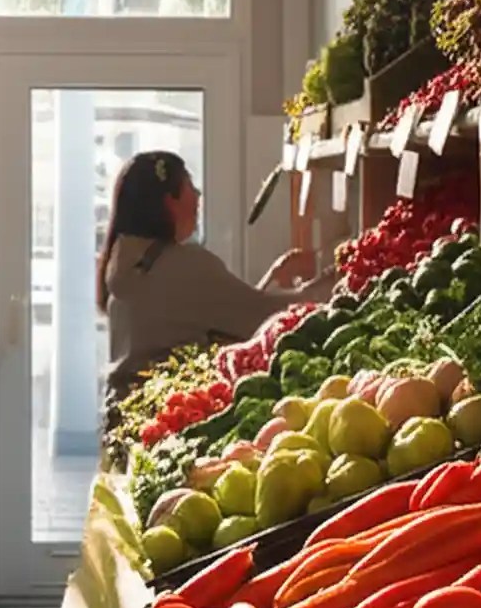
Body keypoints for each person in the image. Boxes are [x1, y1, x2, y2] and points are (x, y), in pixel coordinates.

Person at [99, 151, 336, 418]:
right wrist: (327, 288)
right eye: (190, 186)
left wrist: (272, 277)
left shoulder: (127, 261)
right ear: (170, 202)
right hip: (167, 414)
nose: (198, 196)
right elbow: (259, 318)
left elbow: (213, 312)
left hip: (125, 416)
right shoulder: (184, 266)